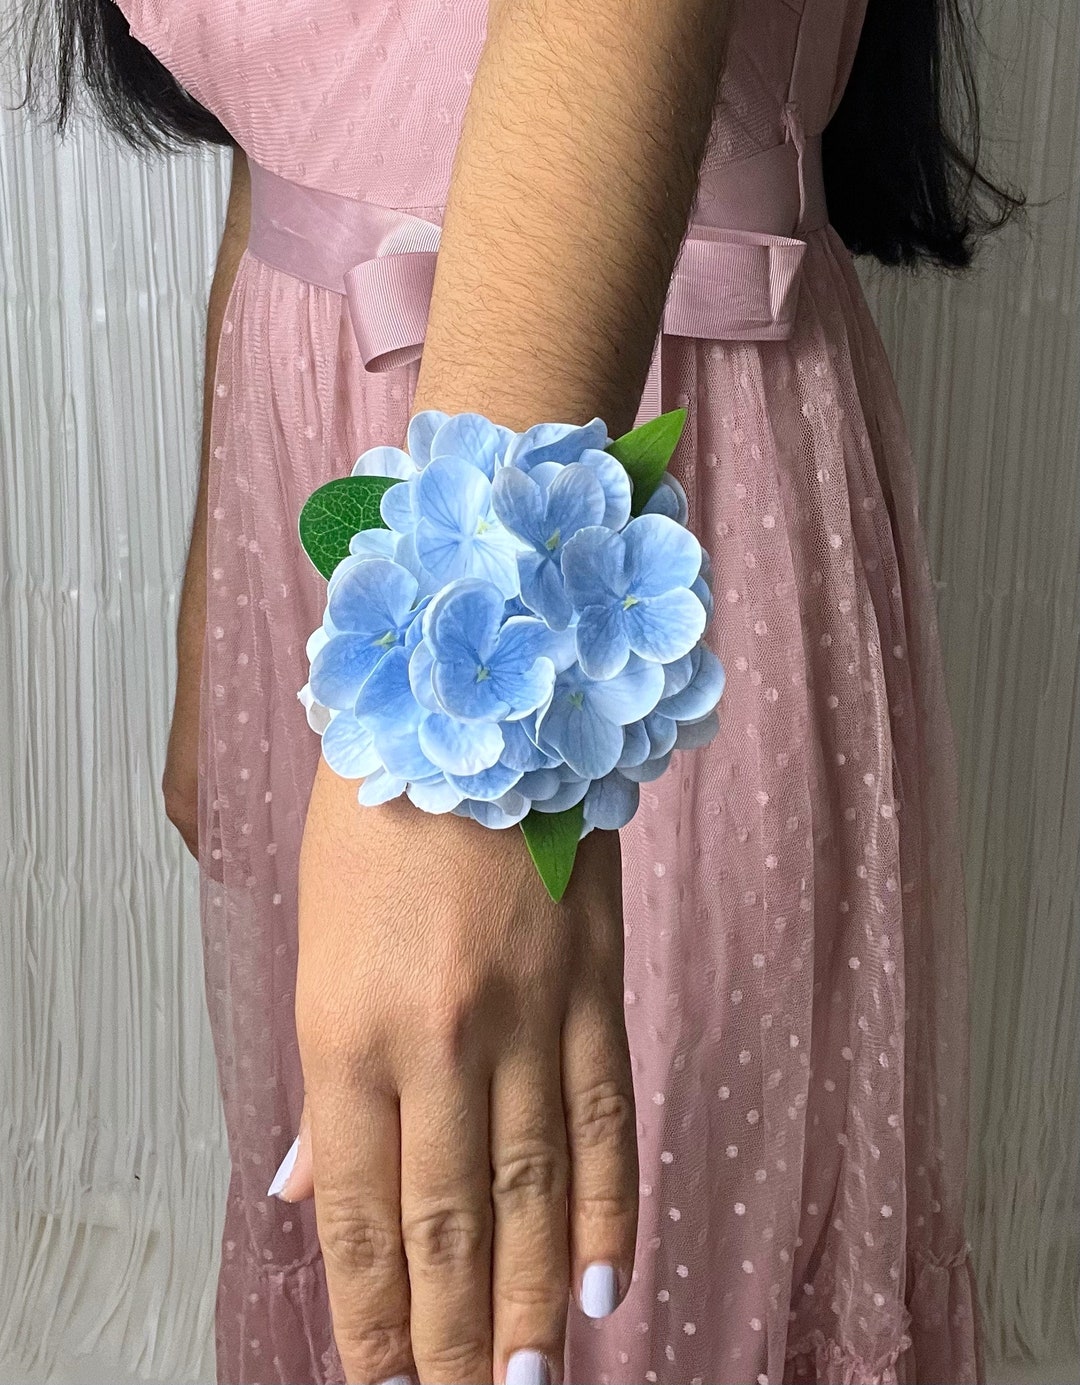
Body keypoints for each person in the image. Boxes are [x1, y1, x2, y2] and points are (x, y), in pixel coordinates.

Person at [12, 0, 1020, 1382]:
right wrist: (212, 603)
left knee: (634, 1235)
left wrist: (470, 741)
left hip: (638, 483)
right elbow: (295, 140)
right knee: (384, 1217)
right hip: (317, 495)